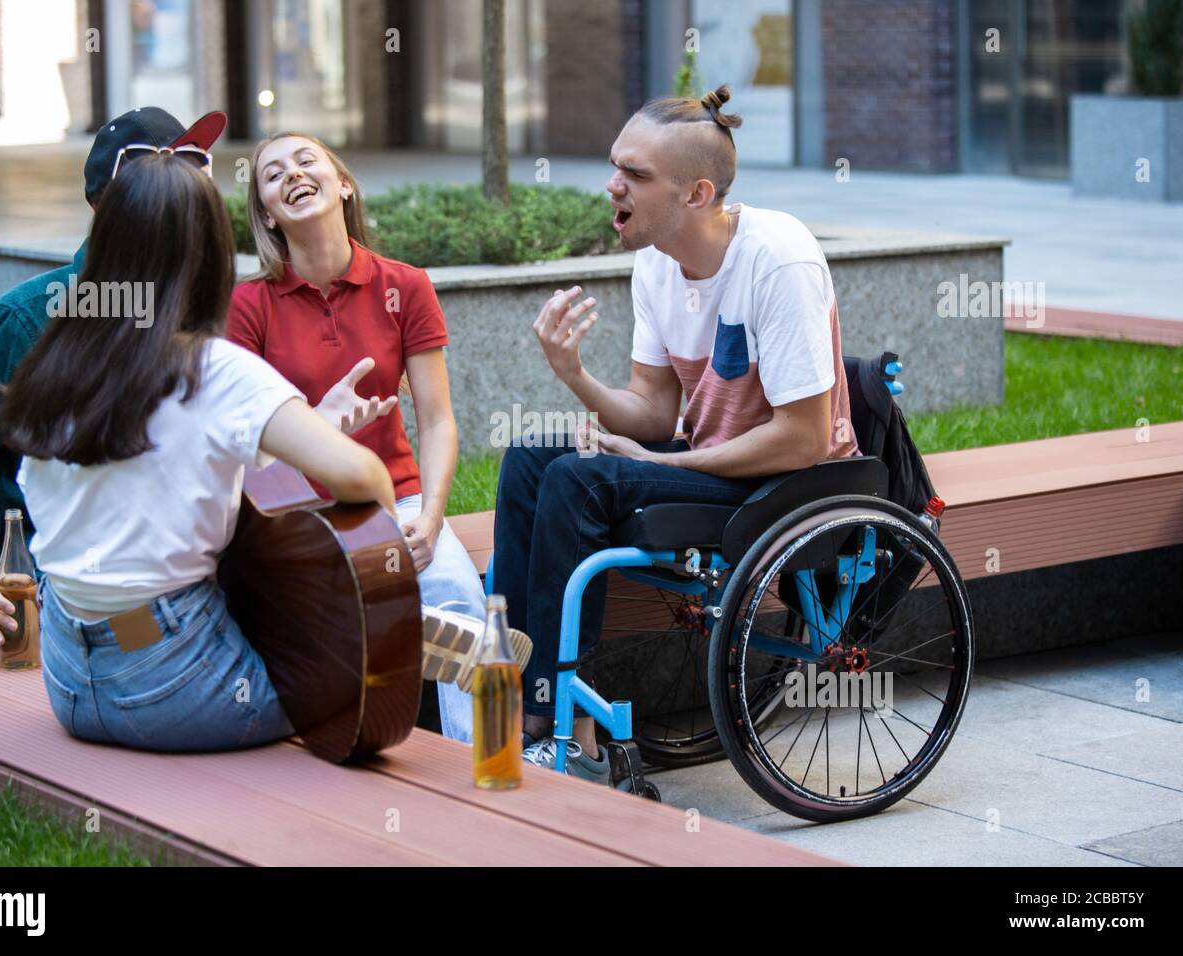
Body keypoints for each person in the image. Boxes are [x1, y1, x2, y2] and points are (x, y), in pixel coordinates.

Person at [495, 85, 860, 781]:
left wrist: (673, 464)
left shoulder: (777, 259)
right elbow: (654, 415)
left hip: (786, 484)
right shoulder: (657, 263)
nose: (612, 186)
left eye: (634, 175)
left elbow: (805, 439)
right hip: (716, 464)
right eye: (615, 167)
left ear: (695, 194)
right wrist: (574, 376)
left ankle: (556, 725)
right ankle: (528, 699)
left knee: (581, 477)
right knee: (536, 456)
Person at [0, 151, 397, 751]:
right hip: (173, 685)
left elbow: (159, 472)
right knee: (359, 682)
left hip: (70, 674)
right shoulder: (214, 370)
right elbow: (364, 476)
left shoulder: (56, 361)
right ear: (207, 256)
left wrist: (303, 430)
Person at [227, 132, 529, 744]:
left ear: (343, 184)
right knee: (320, 618)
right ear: (266, 214)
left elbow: (439, 420)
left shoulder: (405, 286)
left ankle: (480, 770)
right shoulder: (248, 304)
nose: (292, 174)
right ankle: (386, 622)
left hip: (398, 503)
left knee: (460, 599)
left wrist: (435, 516)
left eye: (306, 160)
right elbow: (240, 445)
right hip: (293, 511)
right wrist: (316, 424)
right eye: (272, 174)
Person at [0, 106, 226, 650]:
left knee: (325, 623)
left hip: (184, 573)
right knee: (151, 650)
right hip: (77, 599)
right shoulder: (23, 319)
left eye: (191, 170)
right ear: (107, 205)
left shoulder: (202, 313)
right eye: (161, 176)